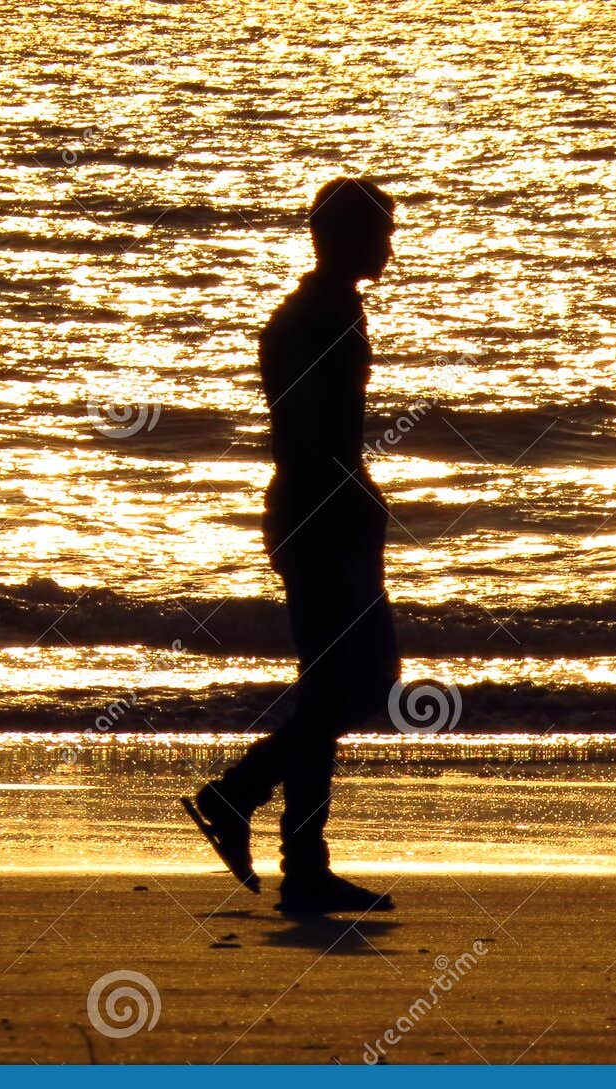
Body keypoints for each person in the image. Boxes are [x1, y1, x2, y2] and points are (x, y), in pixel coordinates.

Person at [182, 177, 399, 916]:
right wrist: (350, 503)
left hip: (321, 509)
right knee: (357, 683)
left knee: (336, 685)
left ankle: (301, 858)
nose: (390, 247)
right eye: (380, 233)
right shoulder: (317, 318)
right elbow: (314, 433)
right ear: (343, 238)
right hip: (322, 514)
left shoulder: (321, 311)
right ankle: (244, 798)